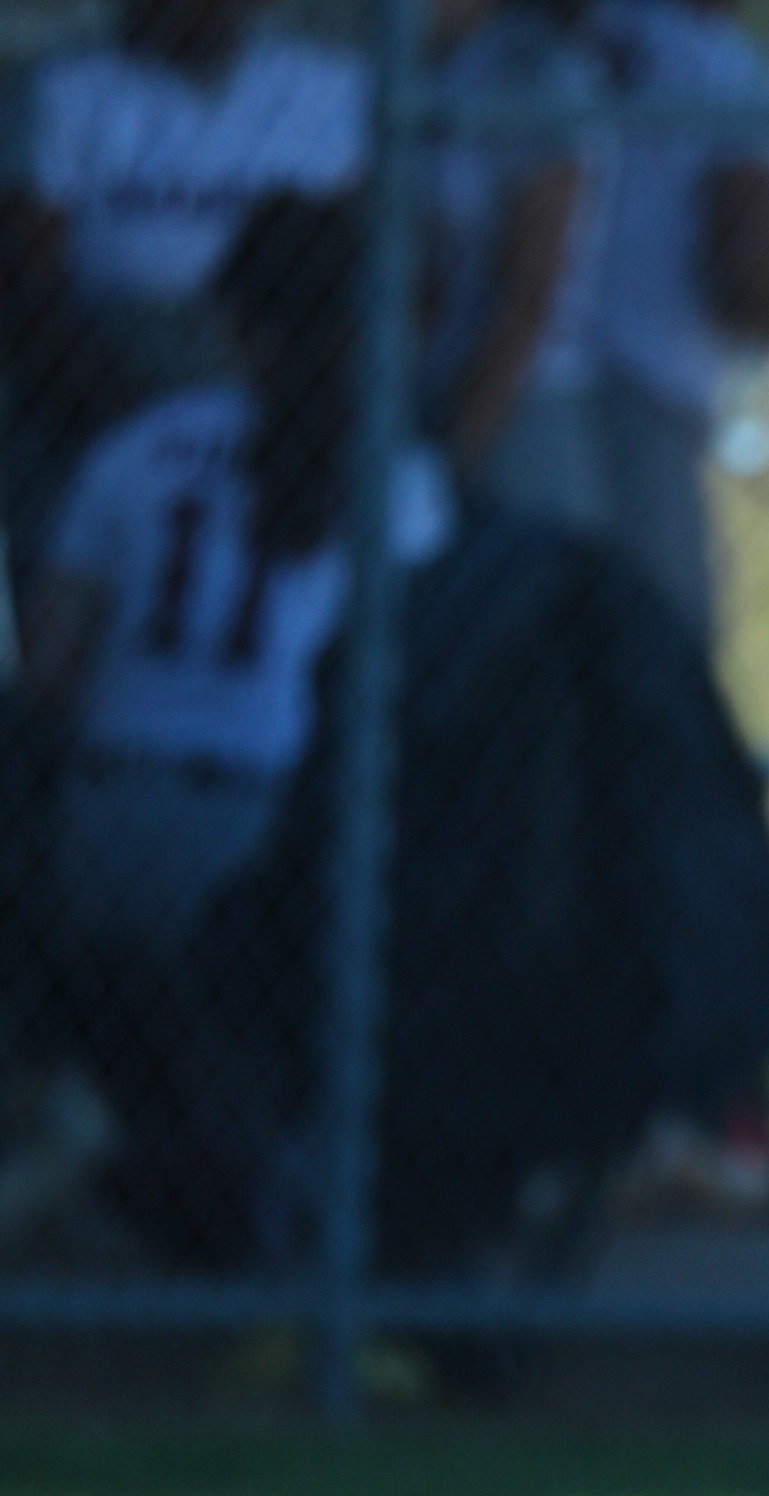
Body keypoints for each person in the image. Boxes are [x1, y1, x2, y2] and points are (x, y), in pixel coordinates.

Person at [22, 192, 449, 969]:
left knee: (104, 1053)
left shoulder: (137, 444)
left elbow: (48, 668)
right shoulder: (397, 476)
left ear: (230, 318)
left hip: (112, 801)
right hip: (272, 824)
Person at [0, 0, 367, 574]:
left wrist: (275, 408)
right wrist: (133, 415)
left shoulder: (325, 90)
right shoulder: (71, 90)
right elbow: (25, 287)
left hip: (278, 387)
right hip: (108, 367)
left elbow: (357, 273)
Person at [579, 0, 769, 646]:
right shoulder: (722, 63)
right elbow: (753, 268)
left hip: (523, 379)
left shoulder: (556, 43)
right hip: (645, 385)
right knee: (658, 642)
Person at [420, 0, 606, 527]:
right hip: (422, 389)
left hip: (515, 411)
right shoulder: (426, 61)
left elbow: (530, 291)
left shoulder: (533, 70)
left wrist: (453, 452)